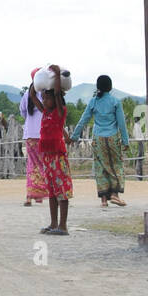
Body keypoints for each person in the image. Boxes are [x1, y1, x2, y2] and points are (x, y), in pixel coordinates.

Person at [72, 75, 129, 208]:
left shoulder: (93, 102)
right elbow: (122, 124)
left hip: (97, 139)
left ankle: (103, 199)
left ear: (98, 87)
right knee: (116, 165)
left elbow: (83, 120)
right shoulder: (115, 102)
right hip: (112, 138)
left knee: (100, 167)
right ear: (110, 87)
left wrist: (74, 137)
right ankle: (115, 194)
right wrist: (125, 141)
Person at [38, 65, 73, 236]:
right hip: (48, 158)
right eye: (43, 99)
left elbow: (58, 94)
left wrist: (58, 75)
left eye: (46, 99)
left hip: (58, 157)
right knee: (51, 192)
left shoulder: (60, 112)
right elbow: (34, 98)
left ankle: (63, 225)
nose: (44, 101)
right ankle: (53, 224)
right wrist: (33, 83)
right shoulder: (45, 112)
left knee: (61, 191)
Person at [20, 68, 46, 206]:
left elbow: (23, 112)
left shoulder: (27, 95)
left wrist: (30, 121)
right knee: (43, 164)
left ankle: (31, 195)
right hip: (44, 133)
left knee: (32, 164)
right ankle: (39, 194)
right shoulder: (46, 94)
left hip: (30, 134)